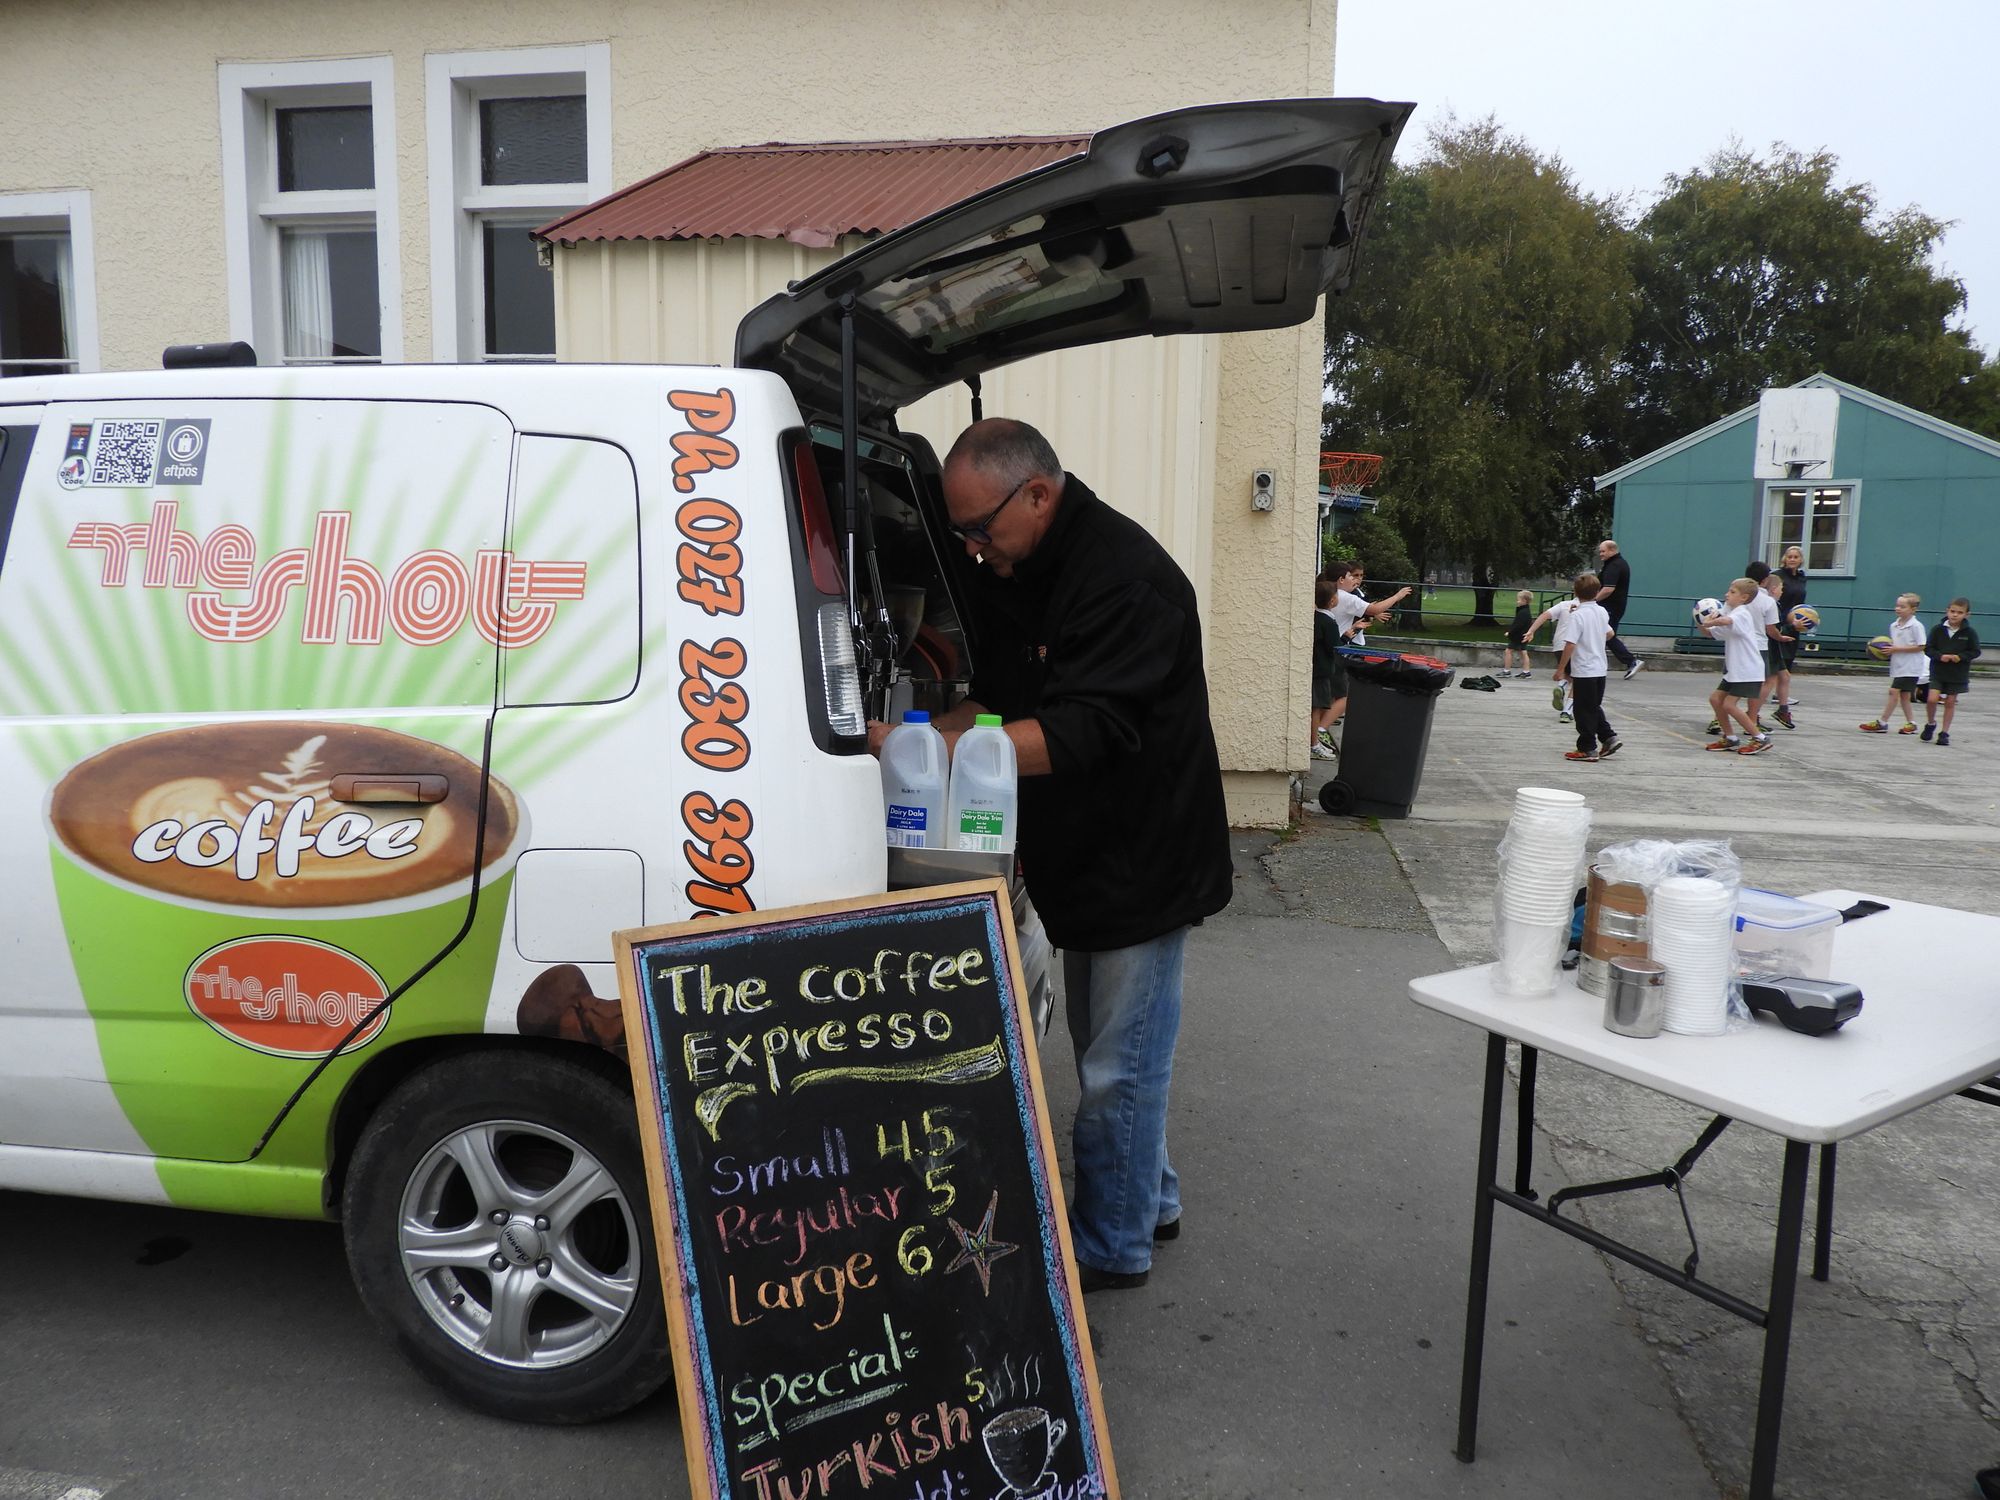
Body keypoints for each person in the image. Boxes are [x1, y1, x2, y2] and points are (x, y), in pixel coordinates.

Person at [893, 418, 1232, 1293]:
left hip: (1143, 859)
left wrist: (957, 752)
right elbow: (1002, 703)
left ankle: (1111, 1248)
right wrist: (908, 740)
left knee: (1121, 1066)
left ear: (1037, 495)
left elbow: (1088, 728)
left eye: (980, 529)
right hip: (1083, 853)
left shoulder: (1126, 579)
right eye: (961, 532)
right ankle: (1148, 1201)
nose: (971, 549)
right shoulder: (1025, 567)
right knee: (1110, 1048)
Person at [1698, 580, 1771, 754]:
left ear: (1743, 597)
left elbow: (1726, 621)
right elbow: (1711, 633)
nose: (1726, 594)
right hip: (1736, 670)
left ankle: (1760, 738)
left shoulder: (1742, 613)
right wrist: (1700, 620)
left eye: (1732, 592)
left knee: (1729, 705)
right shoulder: (1731, 612)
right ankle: (1730, 738)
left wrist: (1712, 621)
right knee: (1716, 700)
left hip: (1748, 670)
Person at [1555, 573, 1619, 761]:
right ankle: (1608, 737)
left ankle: (1587, 747)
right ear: (1597, 591)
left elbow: (1570, 644)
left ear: (1575, 592)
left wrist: (1561, 668)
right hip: (1600, 668)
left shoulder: (1577, 616)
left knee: (1582, 710)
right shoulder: (1601, 612)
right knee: (1592, 706)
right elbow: (1610, 633)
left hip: (1583, 669)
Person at [1860, 593, 1927, 734]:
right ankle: (1911, 724)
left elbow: (1921, 646)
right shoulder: (1894, 625)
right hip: (1898, 665)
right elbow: (1893, 645)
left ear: (1913, 609)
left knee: (1893, 691)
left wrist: (1896, 649)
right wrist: (1883, 650)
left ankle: (1883, 722)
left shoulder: (1916, 626)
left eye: (1903, 606)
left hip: (1912, 666)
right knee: (1904, 696)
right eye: (1897, 605)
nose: (1898, 608)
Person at [1925, 597, 1980, 746]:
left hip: (1957, 674)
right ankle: (1931, 723)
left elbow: (1975, 651)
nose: (1955, 615)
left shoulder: (1969, 632)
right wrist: (1940, 656)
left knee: (1950, 702)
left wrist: (1960, 657)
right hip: (1938, 671)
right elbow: (1928, 648)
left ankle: (1944, 732)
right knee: (1932, 699)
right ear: (1947, 611)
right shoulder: (1937, 629)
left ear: (1967, 615)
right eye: (1952, 611)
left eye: (1960, 612)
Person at [1594, 539, 1642, 678]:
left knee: (1606, 635)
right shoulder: (1615, 564)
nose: (1601, 554)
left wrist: (1592, 601)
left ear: (1612, 550)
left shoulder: (1614, 566)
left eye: (1603, 551)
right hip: (1613, 606)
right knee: (1604, 635)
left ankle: (1631, 661)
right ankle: (1600, 665)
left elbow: (1608, 589)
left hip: (1611, 607)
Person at [1772, 544, 1809, 723]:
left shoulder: (1802, 578)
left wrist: (1803, 619)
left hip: (1797, 623)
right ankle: (1779, 700)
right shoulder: (1778, 576)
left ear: (1801, 560)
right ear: (1784, 559)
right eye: (1789, 556)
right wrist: (1787, 620)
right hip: (1782, 622)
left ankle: (1781, 697)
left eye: (1796, 557)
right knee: (1779, 664)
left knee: (1788, 661)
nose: (1792, 559)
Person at [1310, 577, 1345, 759]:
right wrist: (1346, 638)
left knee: (1315, 707)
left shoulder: (1315, 617)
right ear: (1332, 601)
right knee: (1316, 708)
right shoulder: (1328, 621)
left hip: (1314, 669)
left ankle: (1313, 741)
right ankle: (1314, 743)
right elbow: (1335, 646)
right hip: (1322, 671)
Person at [1503, 589, 1535, 678]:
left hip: (1518, 636)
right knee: (1523, 652)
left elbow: (1517, 625)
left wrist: (1509, 632)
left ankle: (1506, 671)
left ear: (1524, 601)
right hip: (1523, 635)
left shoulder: (1523, 612)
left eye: (1519, 599)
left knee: (1508, 651)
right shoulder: (1525, 611)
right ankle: (1526, 671)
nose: (1517, 601)